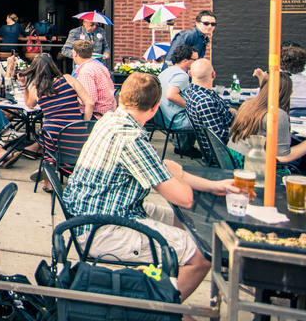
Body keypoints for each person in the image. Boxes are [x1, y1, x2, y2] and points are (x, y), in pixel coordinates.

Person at [62, 72, 240, 301]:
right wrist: (177, 174)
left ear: (120, 97)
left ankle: (153, 287)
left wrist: (213, 185)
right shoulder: (132, 138)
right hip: (102, 229)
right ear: (156, 108)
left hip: (98, 215)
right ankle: (162, 311)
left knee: (184, 224)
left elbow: (162, 169)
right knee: (201, 255)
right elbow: (184, 198)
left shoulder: (109, 120)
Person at [229, 72, 306, 170]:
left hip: (234, 161)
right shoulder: (276, 114)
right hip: (255, 167)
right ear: (290, 92)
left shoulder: (248, 104)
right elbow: (284, 157)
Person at [20, 54, 93, 173]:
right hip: (74, 130)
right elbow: (89, 103)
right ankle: (64, 171)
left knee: (47, 150)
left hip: (52, 132)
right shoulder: (68, 79)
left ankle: (48, 180)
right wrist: (84, 124)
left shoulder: (37, 89)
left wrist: (24, 86)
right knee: (70, 151)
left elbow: (29, 105)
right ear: (52, 66)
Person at [253, 44, 306, 116]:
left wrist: (262, 81)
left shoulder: (280, 84)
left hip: (283, 121)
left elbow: (261, 102)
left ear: (281, 63)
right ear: (304, 63)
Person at [182, 59, 236, 164]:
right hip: (222, 156)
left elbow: (224, 105)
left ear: (189, 74)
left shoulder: (193, 92)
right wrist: (241, 127)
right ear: (213, 74)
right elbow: (219, 139)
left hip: (221, 148)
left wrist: (231, 110)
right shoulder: (205, 102)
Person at [157, 45, 198, 157]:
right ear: (185, 61)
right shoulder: (182, 75)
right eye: (195, 60)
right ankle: (208, 154)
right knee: (204, 117)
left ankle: (182, 146)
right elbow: (171, 95)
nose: (197, 62)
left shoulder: (166, 72)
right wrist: (190, 107)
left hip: (162, 118)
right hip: (174, 120)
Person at [70, 39, 116, 118]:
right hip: (109, 112)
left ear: (75, 54)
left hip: (96, 116)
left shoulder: (86, 71)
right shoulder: (100, 66)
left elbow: (90, 101)